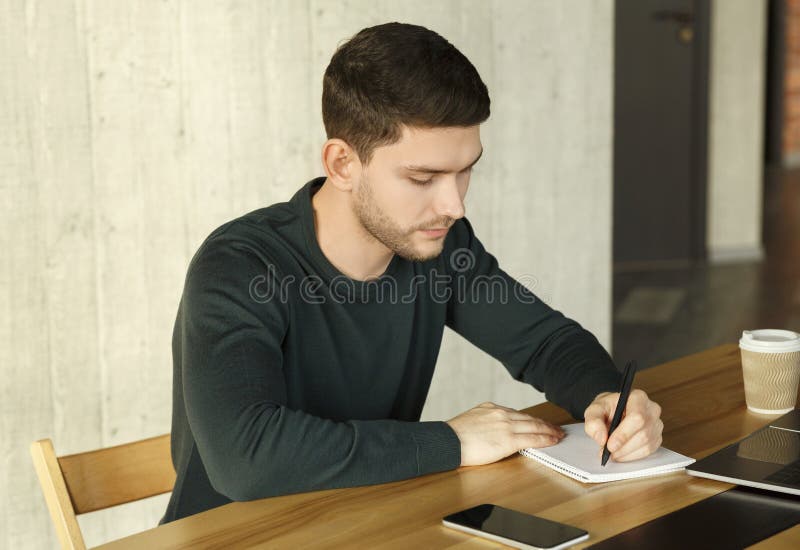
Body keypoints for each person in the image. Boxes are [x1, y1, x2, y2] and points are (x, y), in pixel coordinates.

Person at [160, 21, 663, 524]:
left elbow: (546, 344)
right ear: (342, 164)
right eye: (423, 177)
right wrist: (451, 441)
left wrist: (608, 399)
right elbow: (244, 458)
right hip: (235, 537)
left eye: (465, 169)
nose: (454, 204)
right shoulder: (240, 265)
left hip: (371, 526)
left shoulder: (438, 247)